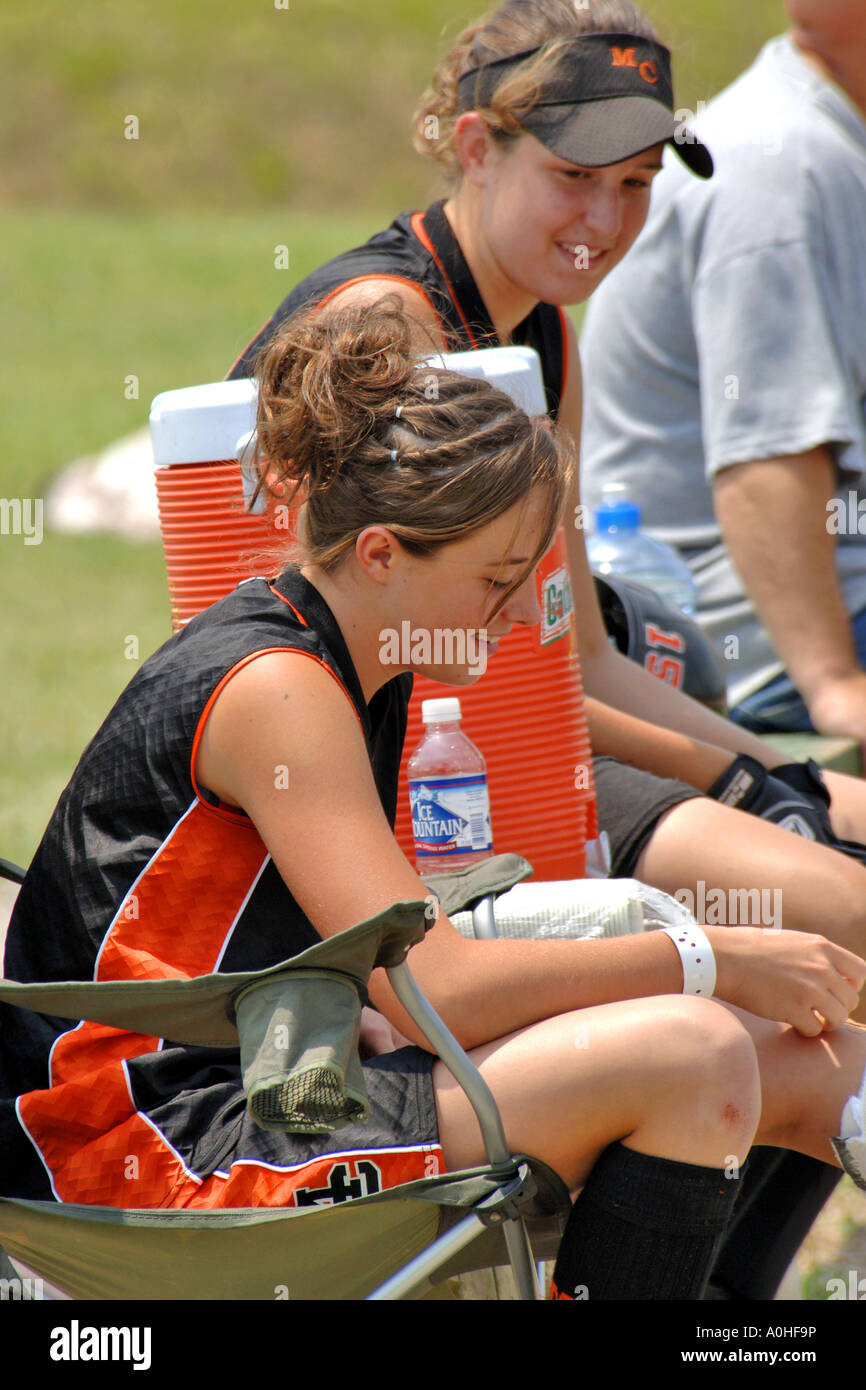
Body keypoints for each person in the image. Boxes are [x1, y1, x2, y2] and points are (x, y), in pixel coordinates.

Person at [6, 296, 866, 1304]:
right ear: (380, 554)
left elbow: (394, 979)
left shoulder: (354, 657)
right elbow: (438, 987)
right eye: (494, 583)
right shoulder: (279, 688)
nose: (508, 625)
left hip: (283, 1074)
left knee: (821, 1058)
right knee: (696, 1048)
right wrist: (709, 955)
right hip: (146, 1148)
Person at [226, 0, 866, 1296]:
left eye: (635, 186)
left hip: (515, 735)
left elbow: (566, 658)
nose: (607, 220)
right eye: (573, 177)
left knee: (836, 849)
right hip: (424, 777)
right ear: (474, 143)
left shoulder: (536, 328)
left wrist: (766, 772)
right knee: (846, 913)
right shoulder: (390, 319)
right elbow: (382, 656)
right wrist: (733, 787)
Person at [580, 0, 866, 755]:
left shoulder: (831, 131)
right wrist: (834, 683)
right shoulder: (783, 165)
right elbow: (767, 457)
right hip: (762, 650)